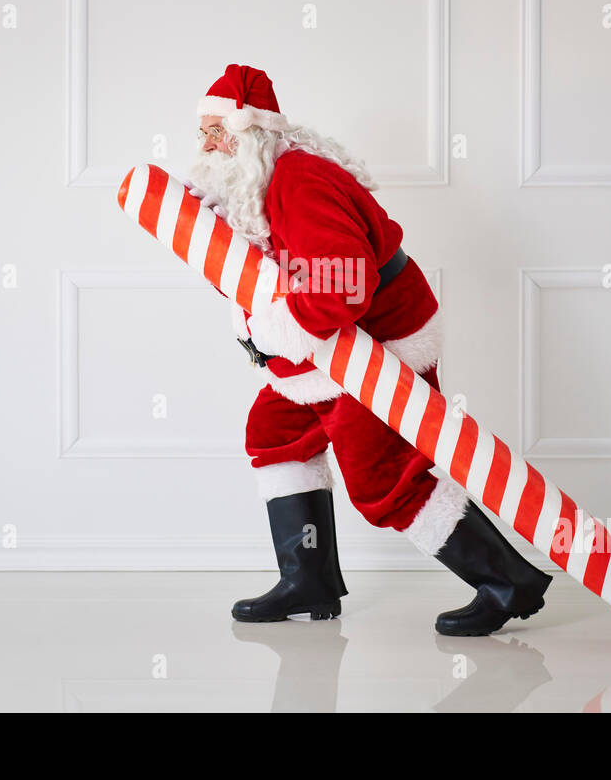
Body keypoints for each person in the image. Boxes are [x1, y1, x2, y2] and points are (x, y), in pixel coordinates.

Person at [185, 63, 553, 636]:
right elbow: (258, 280)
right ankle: (307, 579)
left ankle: (508, 581)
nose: (206, 145)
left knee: (381, 476)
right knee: (276, 434)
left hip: (375, 343)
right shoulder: (255, 187)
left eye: (217, 131)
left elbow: (343, 283)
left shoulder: (297, 181)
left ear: (252, 132)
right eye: (202, 132)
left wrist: (287, 328)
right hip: (326, 352)